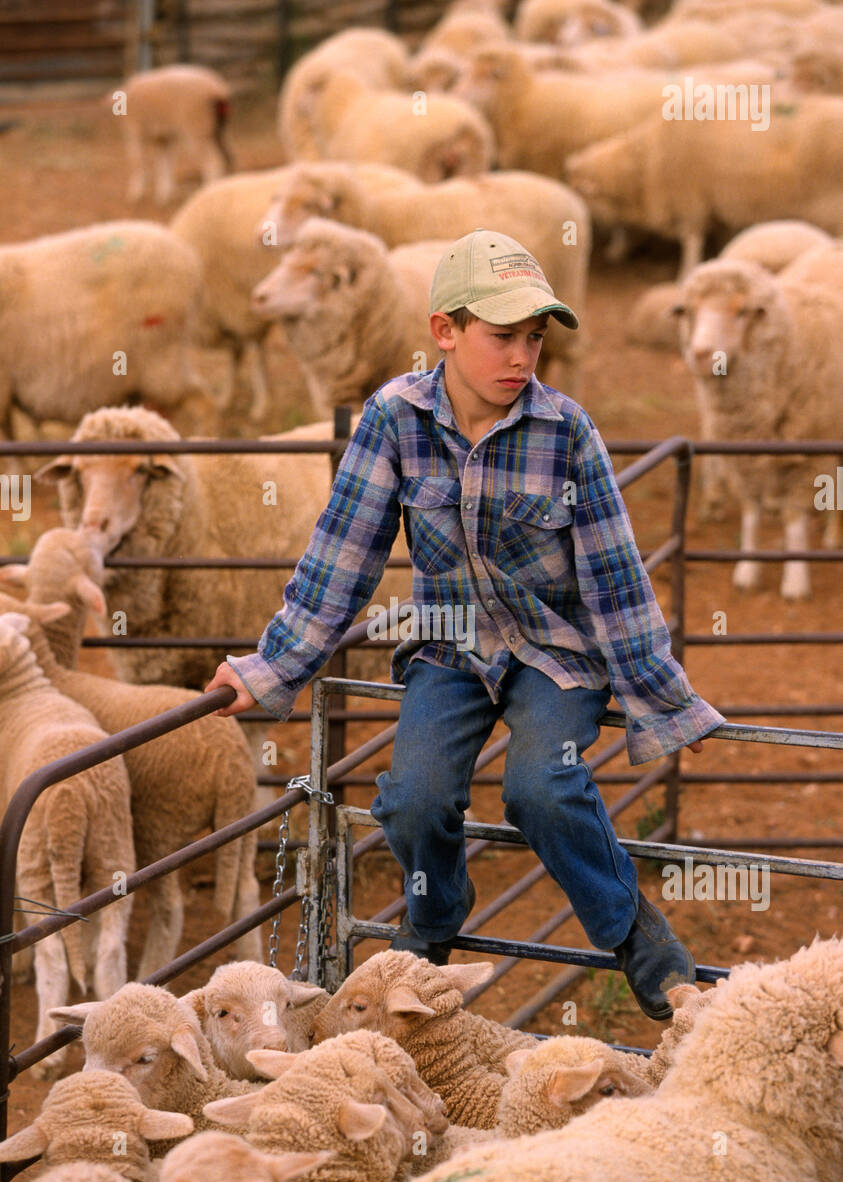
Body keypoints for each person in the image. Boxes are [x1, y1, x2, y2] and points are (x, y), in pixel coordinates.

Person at [205, 228, 725, 1021]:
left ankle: (643, 948)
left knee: (541, 789)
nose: (521, 356)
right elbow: (341, 560)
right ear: (444, 331)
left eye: (534, 337)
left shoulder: (565, 432)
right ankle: (434, 923)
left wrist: (663, 700)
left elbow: (615, 580)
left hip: (553, 653)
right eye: (501, 336)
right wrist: (271, 668)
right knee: (412, 797)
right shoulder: (393, 420)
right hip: (448, 649)